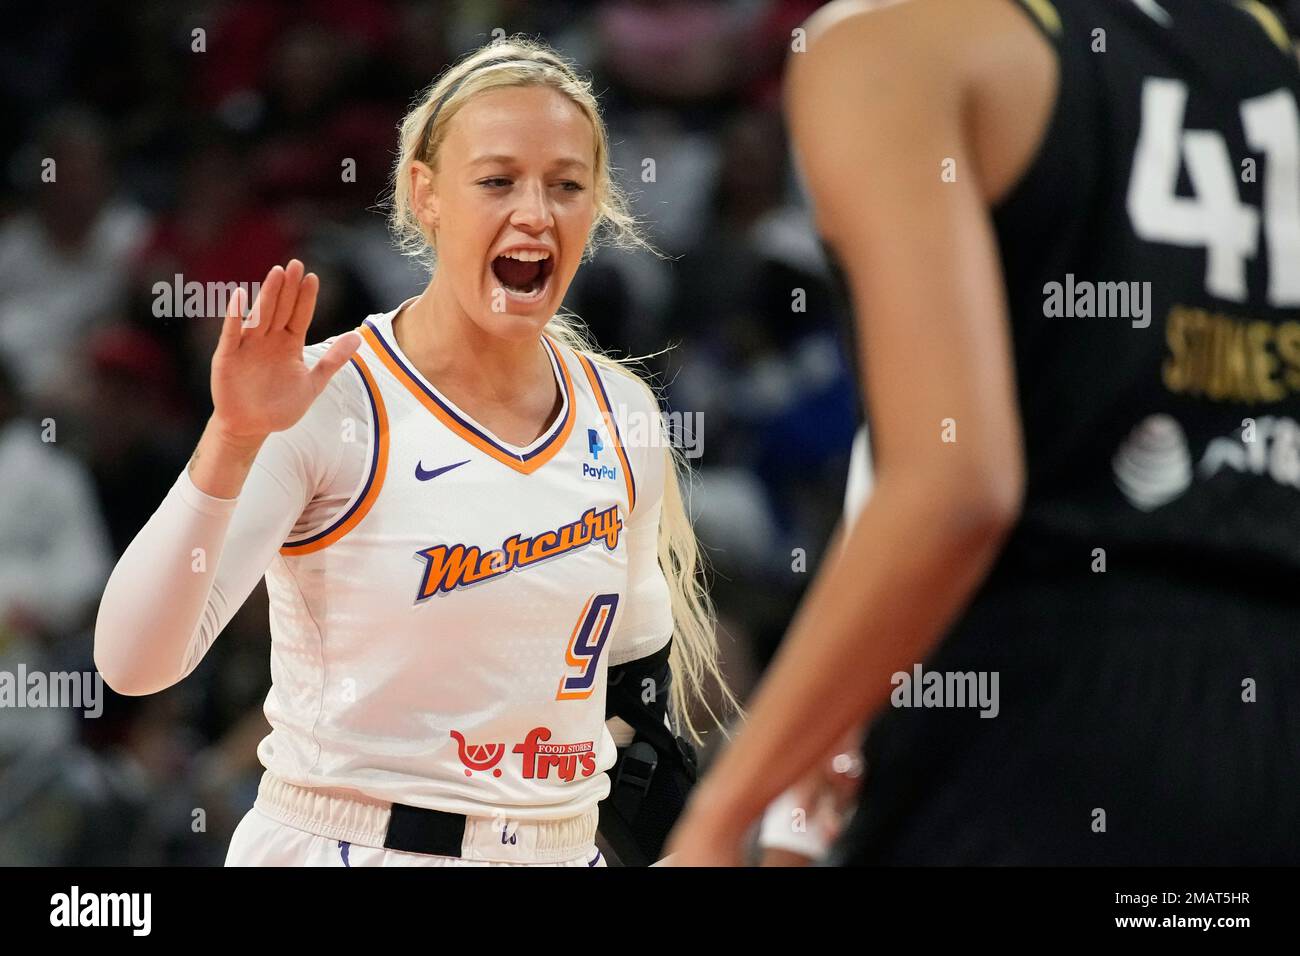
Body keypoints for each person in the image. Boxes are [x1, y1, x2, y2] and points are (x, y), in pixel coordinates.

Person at [667, 0, 1300, 864]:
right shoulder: (1265, 50)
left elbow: (955, 487)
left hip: (1049, 714)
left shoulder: (892, 41)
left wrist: (724, 812)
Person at [95, 37, 733, 867]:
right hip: (349, 843)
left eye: (567, 185)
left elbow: (635, 709)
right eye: (498, 180)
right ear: (425, 195)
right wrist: (232, 439)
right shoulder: (332, 398)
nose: (535, 212)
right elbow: (131, 663)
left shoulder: (622, 412)